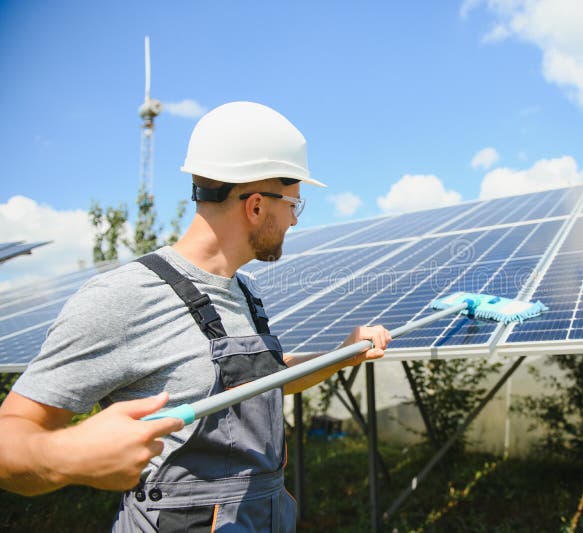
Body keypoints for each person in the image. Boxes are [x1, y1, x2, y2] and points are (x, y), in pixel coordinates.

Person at [0, 101, 391, 531]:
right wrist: (67, 457)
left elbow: (268, 380)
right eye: (295, 206)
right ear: (257, 206)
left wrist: (342, 354)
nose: (294, 222)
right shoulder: (125, 297)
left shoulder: (246, 291)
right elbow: (10, 432)